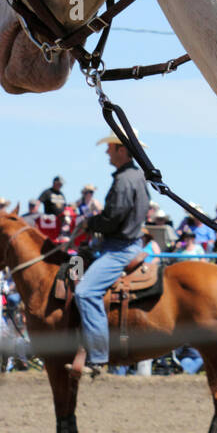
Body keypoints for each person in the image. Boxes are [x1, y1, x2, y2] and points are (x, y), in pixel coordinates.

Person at [69, 133, 150, 379]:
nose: (107, 153)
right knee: (76, 265)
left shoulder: (125, 180)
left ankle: (98, 355)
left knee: (85, 292)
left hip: (119, 249)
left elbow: (113, 217)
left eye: (110, 148)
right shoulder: (137, 177)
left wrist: (90, 222)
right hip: (127, 244)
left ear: (121, 150)